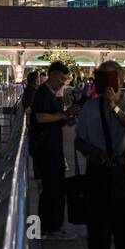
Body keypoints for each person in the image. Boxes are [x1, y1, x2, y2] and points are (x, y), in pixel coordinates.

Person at [74, 61, 125, 249]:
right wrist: (92, 151)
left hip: (124, 176)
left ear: (121, 80)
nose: (106, 84)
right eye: (101, 79)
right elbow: (78, 140)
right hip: (98, 176)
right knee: (97, 243)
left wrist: (114, 107)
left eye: (110, 79)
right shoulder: (90, 107)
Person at [30, 61, 77, 239]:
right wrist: (65, 114)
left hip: (51, 147)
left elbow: (53, 118)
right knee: (53, 189)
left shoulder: (50, 94)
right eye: (62, 78)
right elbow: (41, 118)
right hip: (46, 149)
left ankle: (47, 228)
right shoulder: (43, 93)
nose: (64, 82)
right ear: (52, 75)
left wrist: (66, 118)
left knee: (53, 189)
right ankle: (51, 228)